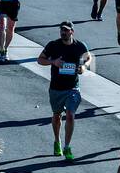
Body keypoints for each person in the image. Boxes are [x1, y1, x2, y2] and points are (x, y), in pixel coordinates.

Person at [37, 21, 92, 160]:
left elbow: (89, 58)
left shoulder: (79, 46)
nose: (63, 33)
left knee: (70, 114)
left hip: (72, 87)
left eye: (66, 30)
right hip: (56, 88)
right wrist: (53, 62)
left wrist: (84, 66)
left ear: (72, 32)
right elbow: (40, 60)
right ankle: (57, 141)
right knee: (56, 116)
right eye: (62, 30)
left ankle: (67, 147)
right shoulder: (53, 45)